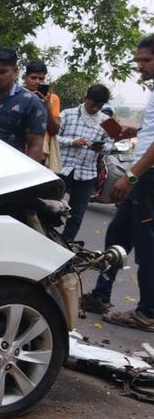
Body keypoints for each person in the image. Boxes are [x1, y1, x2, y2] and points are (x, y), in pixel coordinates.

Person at [80, 34, 154, 331]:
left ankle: (148, 312)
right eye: (138, 62)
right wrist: (132, 129)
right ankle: (100, 295)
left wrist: (133, 175)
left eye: (146, 61)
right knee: (118, 235)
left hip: (148, 177)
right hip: (144, 174)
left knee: (147, 245)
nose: (140, 68)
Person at [57, 84, 112, 243]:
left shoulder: (107, 122)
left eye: (99, 106)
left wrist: (101, 147)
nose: (95, 108)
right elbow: (53, 138)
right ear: (85, 99)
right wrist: (71, 142)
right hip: (62, 169)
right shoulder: (67, 114)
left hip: (87, 173)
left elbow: (112, 146)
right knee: (50, 206)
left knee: (77, 214)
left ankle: (66, 244)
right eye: (92, 104)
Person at [0, 47, 46, 162]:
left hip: (9, 171)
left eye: (2, 72)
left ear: (15, 70)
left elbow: (35, 145)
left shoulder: (30, 102)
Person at [22, 60, 62, 171]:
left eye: (41, 79)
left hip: (41, 153)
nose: (37, 82)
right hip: (20, 149)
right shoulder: (18, 96)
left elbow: (54, 130)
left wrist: (46, 107)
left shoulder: (52, 99)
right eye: (33, 78)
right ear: (25, 77)